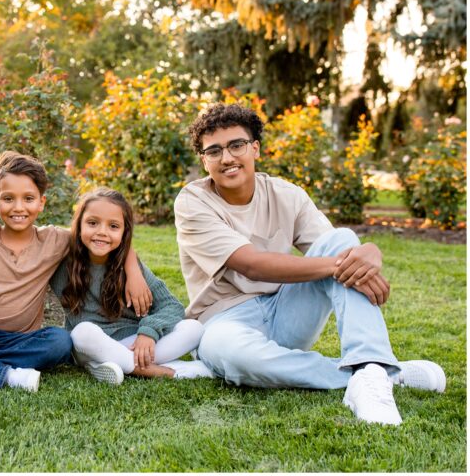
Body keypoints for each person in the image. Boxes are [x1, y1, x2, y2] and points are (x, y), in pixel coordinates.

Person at [174, 103, 446, 425]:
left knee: (343, 239)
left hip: (286, 311)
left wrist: (370, 251)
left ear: (255, 148)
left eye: (237, 145)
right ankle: (374, 372)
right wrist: (337, 266)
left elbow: (339, 250)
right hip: (224, 320)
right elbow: (252, 265)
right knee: (237, 357)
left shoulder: (286, 194)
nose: (227, 158)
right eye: (214, 151)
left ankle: (370, 368)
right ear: (204, 160)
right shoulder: (192, 202)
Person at [0, 151, 152, 392]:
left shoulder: (54, 240)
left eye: (28, 199)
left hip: (20, 341)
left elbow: (97, 238)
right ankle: (7, 374)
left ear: (41, 203)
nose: (18, 207)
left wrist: (133, 269)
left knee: (61, 342)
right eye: (8, 199)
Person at [50, 187, 213, 385]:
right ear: (79, 225)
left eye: (113, 226)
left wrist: (148, 332)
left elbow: (173, 307)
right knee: (82, 332)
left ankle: (109, 364)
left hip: (133, 341)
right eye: (92, 223)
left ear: (124, 233)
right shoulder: (60, 259)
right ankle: (159, 371)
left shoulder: (132, 269)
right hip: (89, 345)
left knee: (193, 328)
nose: (102, 232)